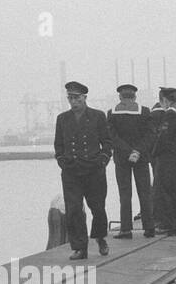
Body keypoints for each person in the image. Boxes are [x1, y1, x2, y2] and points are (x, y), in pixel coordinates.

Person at [54, 81, 112, 260]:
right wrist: (62, 160)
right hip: (72, 171)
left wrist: (103, 160)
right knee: (74, 210)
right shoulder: (63, 119)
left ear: (84, 98)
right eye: (70, 98)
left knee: (98, 208)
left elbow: (107, 142)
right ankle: (80, 247)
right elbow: (59, 144)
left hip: (94, 170)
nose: (73, 101)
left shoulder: (98, 116)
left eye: (76, 98)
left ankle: (100, 237)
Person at [107, 83, 155, 240]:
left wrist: (127, 151)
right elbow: (150, 135)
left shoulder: (112, 114)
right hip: (140, 158)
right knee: (145, 193)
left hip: (121, 159)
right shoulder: (145, 112)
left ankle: (126, 230)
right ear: (135, 96)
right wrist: (137, 151)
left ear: (120, 97)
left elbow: (112, 138)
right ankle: (149, 228)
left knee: (125, 194)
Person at [150, 86, 176, 236]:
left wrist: (154, 153)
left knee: (166, 191)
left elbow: (164, 137)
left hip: (168, 158)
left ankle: (168, 224)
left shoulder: (171, 114)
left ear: (165, 100)